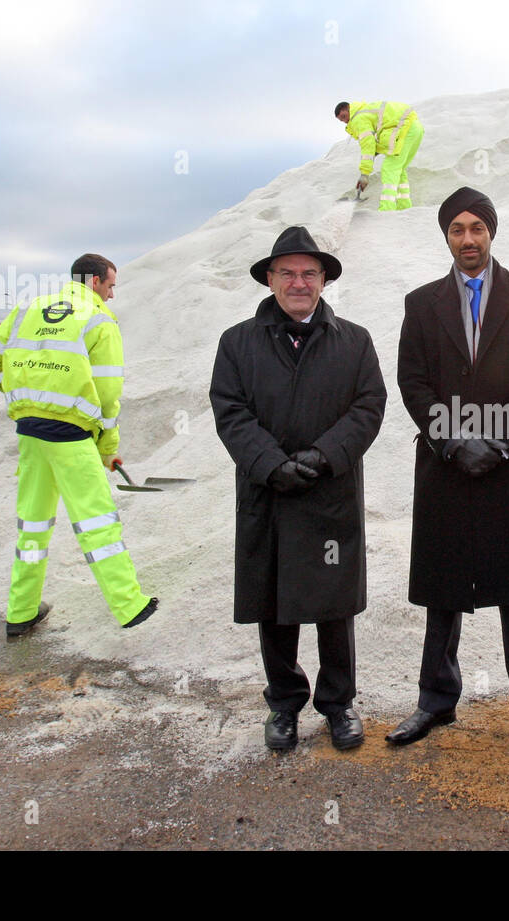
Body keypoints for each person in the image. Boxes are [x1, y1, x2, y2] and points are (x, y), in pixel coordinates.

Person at [388, 186, 509, 752]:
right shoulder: (421, 302)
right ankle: (435, 704)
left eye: (477, 228)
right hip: (447, 465)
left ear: (491, 232)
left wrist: (502, 443)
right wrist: (454, 442)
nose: (468, 238)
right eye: (458, 229)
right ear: (446, 236)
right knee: (444, 589)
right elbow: (412, 381)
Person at [209, 226, 386, 753]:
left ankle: (338, 704)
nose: (298, 282)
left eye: (309, 272)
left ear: (324, 279)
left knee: (334, 608)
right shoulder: (237, 342)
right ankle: (284, 703)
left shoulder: (353, 340)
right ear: (269, 278)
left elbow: (369, 406)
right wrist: (270, 463)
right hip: (269, 495)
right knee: (274, 605)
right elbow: (230, 409)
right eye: (287, 272)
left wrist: (324, 456)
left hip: (329, 493)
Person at [0, 253, 158, 637]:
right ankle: (130, 607)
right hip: (72, 437)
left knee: (33, 525)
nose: (111, 296)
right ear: (94, 282)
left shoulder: (29, 308)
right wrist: (108, 447)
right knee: (97, 522)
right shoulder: (98, 320)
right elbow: (108, 394)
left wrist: (25, 396)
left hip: (29, 432)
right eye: (110, 286)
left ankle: (21, 611)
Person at [334, 100, 424, 212]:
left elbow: (368, 144)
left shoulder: (358, 118)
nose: (345, 121)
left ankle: (387, 209)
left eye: (344, 116)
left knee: (389, 168)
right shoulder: (365, 111)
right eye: (341, 120)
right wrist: (376, 150)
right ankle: (404, 207)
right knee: (399, 170)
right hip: (415, 128)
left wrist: (364, 174)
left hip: (405, 130)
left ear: (349, 109)